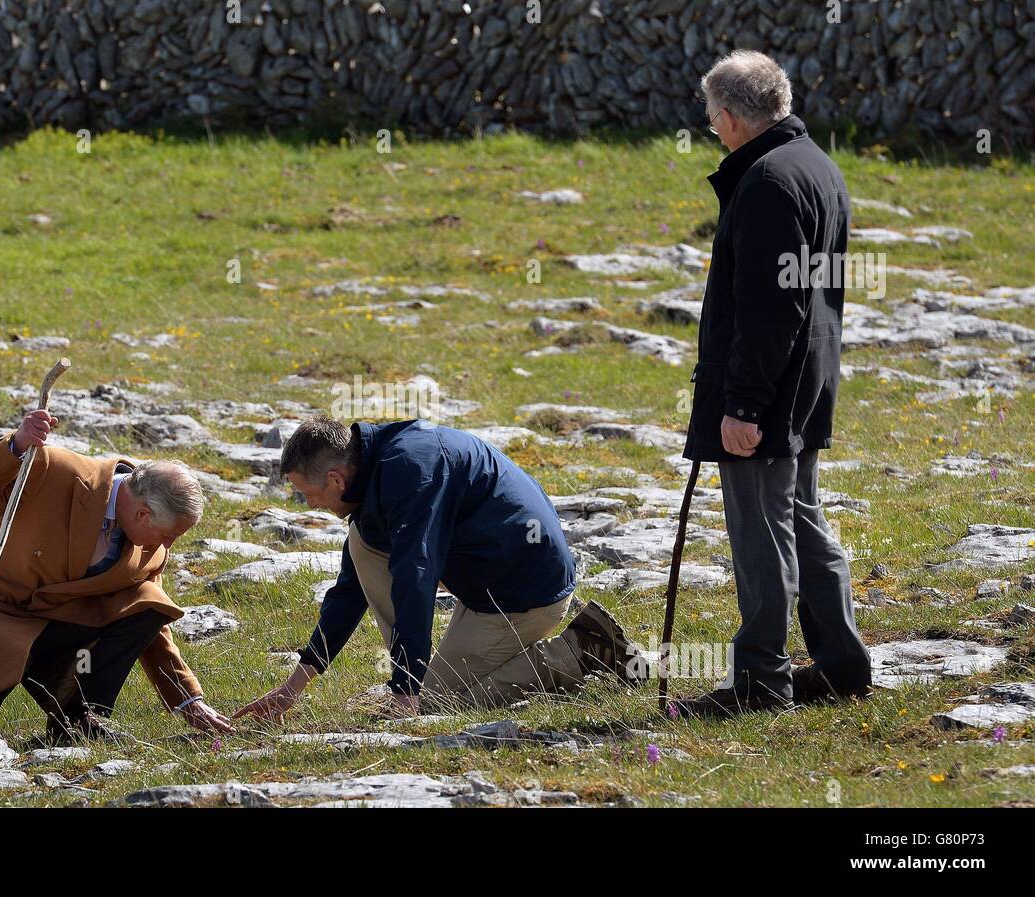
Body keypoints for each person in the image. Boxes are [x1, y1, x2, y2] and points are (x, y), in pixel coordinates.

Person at [674, 50, 872, 719]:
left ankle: (762, 681)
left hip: (770, 388)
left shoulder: (764, 182)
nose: (713, 130)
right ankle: (843, 663)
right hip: (809, 377)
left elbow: (768, 308)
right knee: (803, 520)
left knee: (762, 533)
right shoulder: (816, 164)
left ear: (729, 117)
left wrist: (741, 405)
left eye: (712, 121)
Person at [235, 417, 641, 722]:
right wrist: (293, 687)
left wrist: (408, 691)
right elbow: (349, 590)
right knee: (362, 543)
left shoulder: (411, 470)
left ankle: (583, 649)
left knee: (437, 702)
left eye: (309, 494)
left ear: (336, 478)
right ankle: (409, 673)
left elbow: (417, 575)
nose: (310, 506)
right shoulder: (375, 466)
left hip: (526, 596)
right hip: (485, 585)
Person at [0, 408, 233, 742]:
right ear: (142, 512)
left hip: (52, 625)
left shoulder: (150, 550)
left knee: (149, 603)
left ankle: (76, 718)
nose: (168, 545)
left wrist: (187, 698)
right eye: (168, 534)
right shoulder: (51, 468)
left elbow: (153, 626)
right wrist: (15, 447)